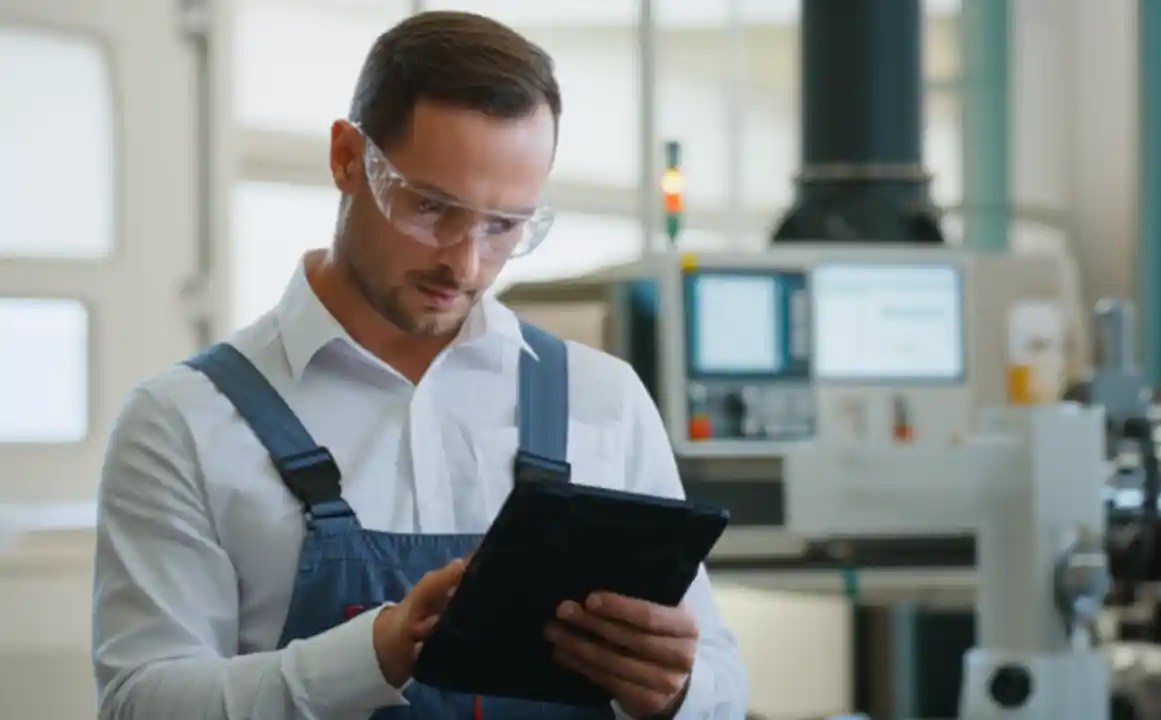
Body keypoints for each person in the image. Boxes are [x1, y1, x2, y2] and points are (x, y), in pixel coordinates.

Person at [92, 10, 748, 720]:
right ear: (347, 158)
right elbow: (140, 702)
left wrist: (678, 693)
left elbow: (719, 682)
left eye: (504, 226)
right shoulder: (181, 422)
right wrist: (370, 655)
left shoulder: (606, 402)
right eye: (433, 208)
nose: (464, 263)